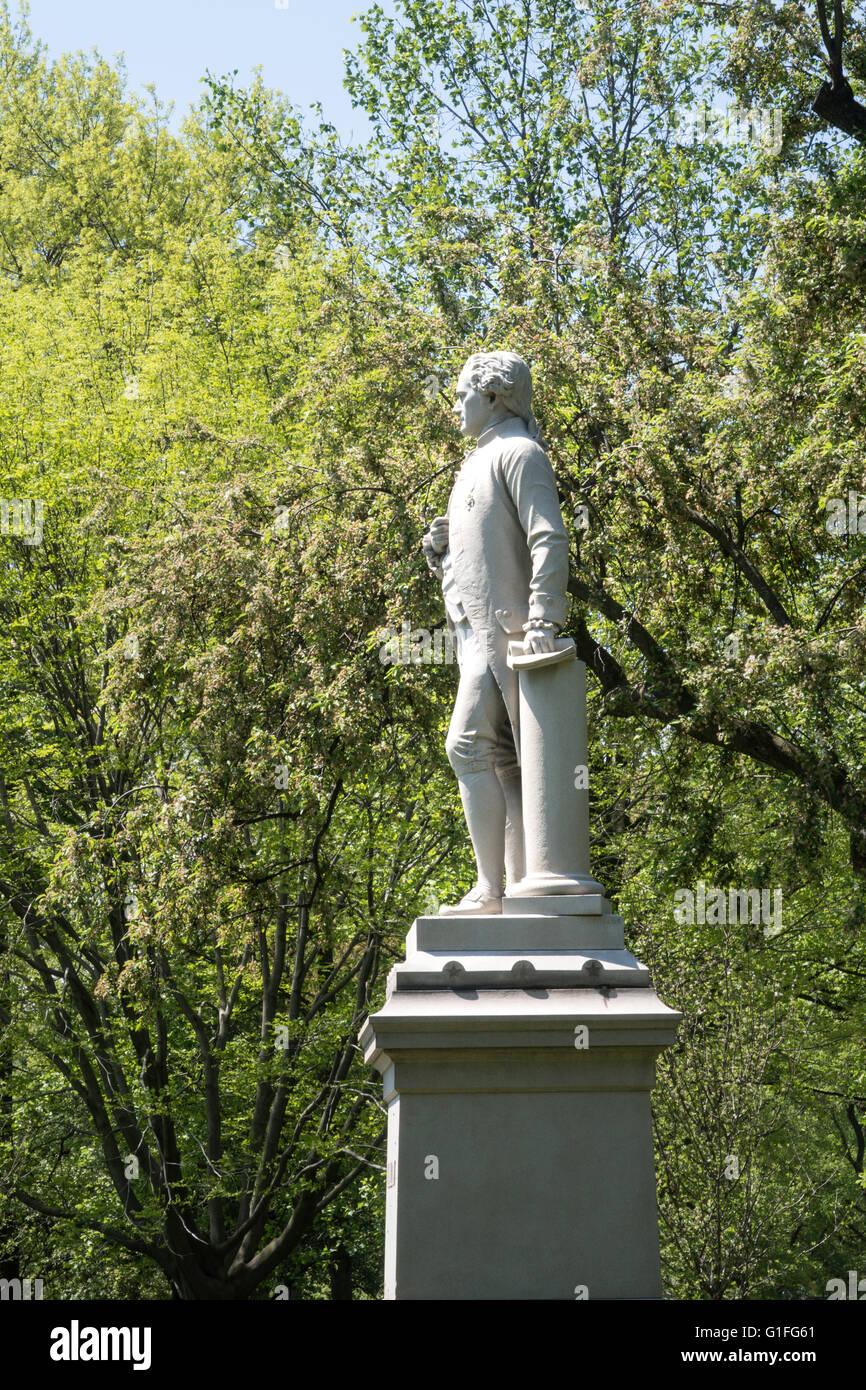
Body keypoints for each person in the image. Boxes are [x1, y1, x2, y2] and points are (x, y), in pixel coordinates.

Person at [422, 351, 570, 915]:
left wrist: (542, 619)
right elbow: (482, 556)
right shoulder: (478, 461)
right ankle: (514, 887)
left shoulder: (520, 453)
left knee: (466, 747)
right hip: (473, 640)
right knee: (507, 762)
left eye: (462, 395)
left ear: (492, 397)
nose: (455, 405)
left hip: (503, 639)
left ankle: (491, 891)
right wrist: (443, 549)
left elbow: (548, 538)